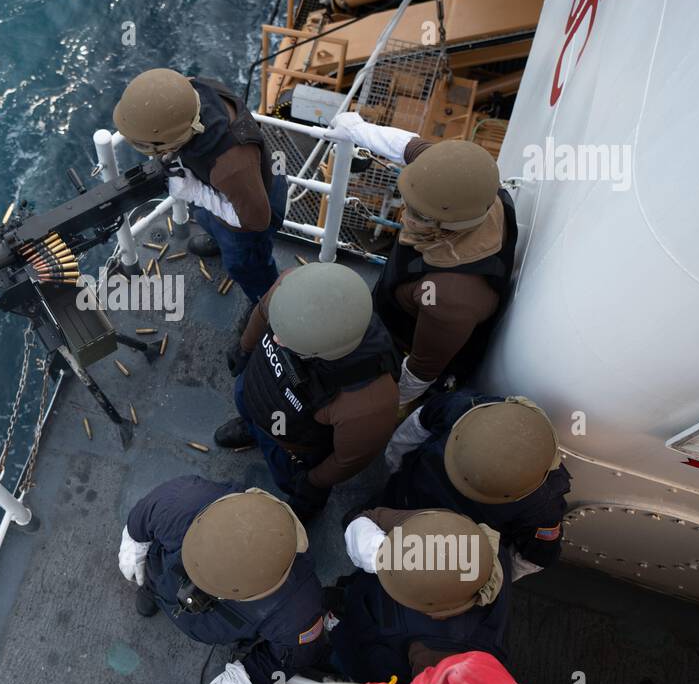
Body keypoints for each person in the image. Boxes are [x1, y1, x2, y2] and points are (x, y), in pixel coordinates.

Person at [324, 112, 518, 408]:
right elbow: (409, 147)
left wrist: (388, 404)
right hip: (403, 304)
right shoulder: (466, 187)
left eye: (419, 214)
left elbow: (421, 369)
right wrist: (357, 129)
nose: (406, 216)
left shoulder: (452, 296)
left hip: (401, 340)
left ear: (451, 225)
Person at [118, 476, 328, 684]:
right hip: (160, 575)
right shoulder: (183, 499)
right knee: (153, 577)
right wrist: (134, 541)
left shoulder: (299, 611)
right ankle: (152, 591)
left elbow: (291, 658)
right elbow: (145, 514)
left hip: (226, 628)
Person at [212, 262, 398, 519]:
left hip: (291, 448)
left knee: (291, 482)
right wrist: (244, 348)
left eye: (285, 337)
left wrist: (314, 481)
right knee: (247, 405)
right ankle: (252, 427)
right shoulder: (296, 289)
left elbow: (348, 460)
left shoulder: (367, 403)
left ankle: (305, 506)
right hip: (256, 390)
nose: (275, 338)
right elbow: (265, 310)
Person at [113, 68, 288, 303]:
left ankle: (266, 304)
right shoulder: (193, 90)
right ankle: (217, 239)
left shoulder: (230, 166)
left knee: (245, 265)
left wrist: (197, 192)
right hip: (225, 188)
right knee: (206, 217)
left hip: (250, 211)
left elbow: (255, 222)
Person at [381, 391, 570, 579]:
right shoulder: (544, 504)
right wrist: (485, 581)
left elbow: (411, 433)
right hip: (450, 558)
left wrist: (396, 472)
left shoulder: (465, 408)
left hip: (401, 503)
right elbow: (534, 558)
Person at [329, 507, 512, 684]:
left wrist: (384, 555)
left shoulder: (399, 648)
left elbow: (361, 519)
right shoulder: (490, 556)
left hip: (359, 628)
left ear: (435, 613)